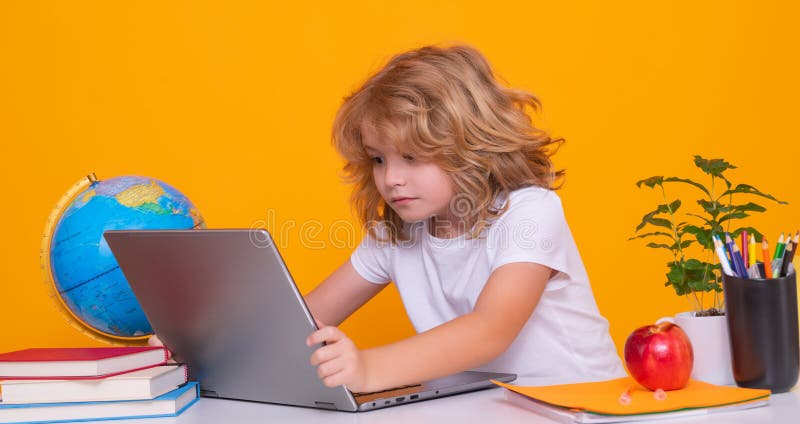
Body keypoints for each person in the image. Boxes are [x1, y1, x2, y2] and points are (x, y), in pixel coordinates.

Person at [151, 44, 625, 393]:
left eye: (413, 158)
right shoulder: (395, 235)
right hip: (478, 411)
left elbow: (490, 330)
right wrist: (206, 342)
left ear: (472, 149)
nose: (391, 179)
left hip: (577, 408)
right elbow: (304, 319)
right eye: (379, 160)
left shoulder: (529, 211)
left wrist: (369, 369)